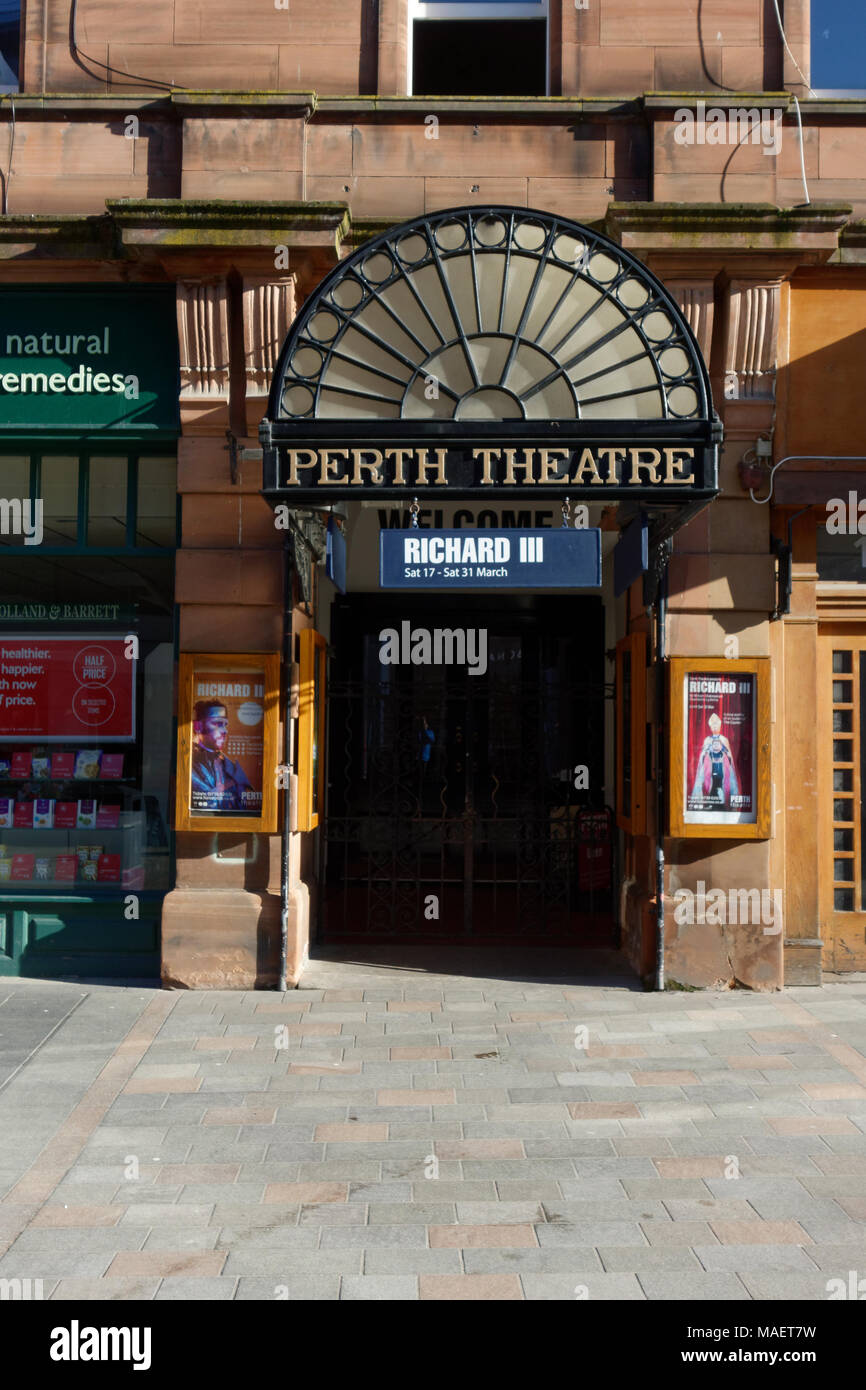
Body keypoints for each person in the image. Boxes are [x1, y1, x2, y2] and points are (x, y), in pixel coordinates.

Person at [191, 700, 255, 812]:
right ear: (198, 726)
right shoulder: (189, 761)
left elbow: (241, 808)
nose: (224, 731)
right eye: (217, 724)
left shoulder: (228, 764)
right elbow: (204, 804)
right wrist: (233, 782)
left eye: (225, 724)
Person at [690, 711, 739, 806]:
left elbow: (729, 756)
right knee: (702, 780)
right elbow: (702, 755)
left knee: (727, 782)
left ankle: (727, 802)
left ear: (720, 726)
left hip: (722, 766)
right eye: (713, 725)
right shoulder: (707, 740)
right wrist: (706, 752)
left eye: (717, 725)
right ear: (710, 727)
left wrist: (726, 755)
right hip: (709, 766)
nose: (715, 727)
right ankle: (700, 801)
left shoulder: (724, 739)